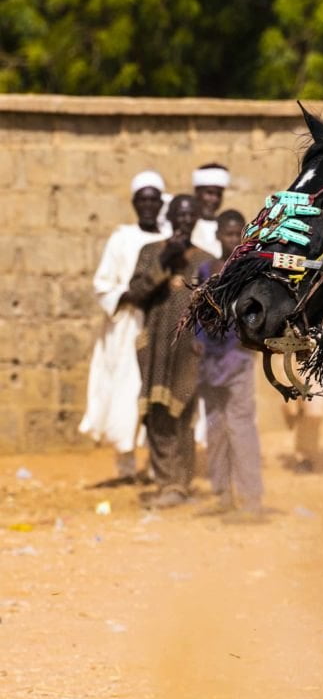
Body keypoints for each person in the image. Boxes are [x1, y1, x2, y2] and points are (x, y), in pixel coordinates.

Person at [79, 171, 173, 481]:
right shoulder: (121, 239)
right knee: (125, 391)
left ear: (161, 202)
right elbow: (103, 285)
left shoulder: (172, 238)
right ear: (134, 203)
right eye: (142, 200)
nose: (148, 205)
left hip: (162, 322)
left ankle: (160, 466)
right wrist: (132, 295)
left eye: (153, 200)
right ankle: (126, 466)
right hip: (127, 327)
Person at [125, 194, 212, 508]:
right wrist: (164, 263)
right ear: (171, 218)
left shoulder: (205, 260)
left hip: (190, 350)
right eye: (180, 215)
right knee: (156, 414)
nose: (185, 221)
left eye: (191, 216)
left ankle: (182, 483)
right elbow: (135, 294)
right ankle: (167, 483)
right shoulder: (151, 252)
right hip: (156, 349)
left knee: (183, 413)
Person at [196, 209, 266, 517]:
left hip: (237, 359)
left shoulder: (248, 272)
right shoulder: (206, 270)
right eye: (226, 233)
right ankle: (222, 493)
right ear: (217, 235)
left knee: (240, 426)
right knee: (215, 427)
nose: (232, 239)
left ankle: (251, 499)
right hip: (210, 362)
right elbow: (198, 308)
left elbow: (255, 312)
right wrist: (199, 339)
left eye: (237, 233)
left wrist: (246, 335)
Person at [189, 163, 230, 258]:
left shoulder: (224, 226)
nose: (214, 199)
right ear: (197, 192)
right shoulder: (184, 224)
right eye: (209, 193)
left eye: (218, 194)